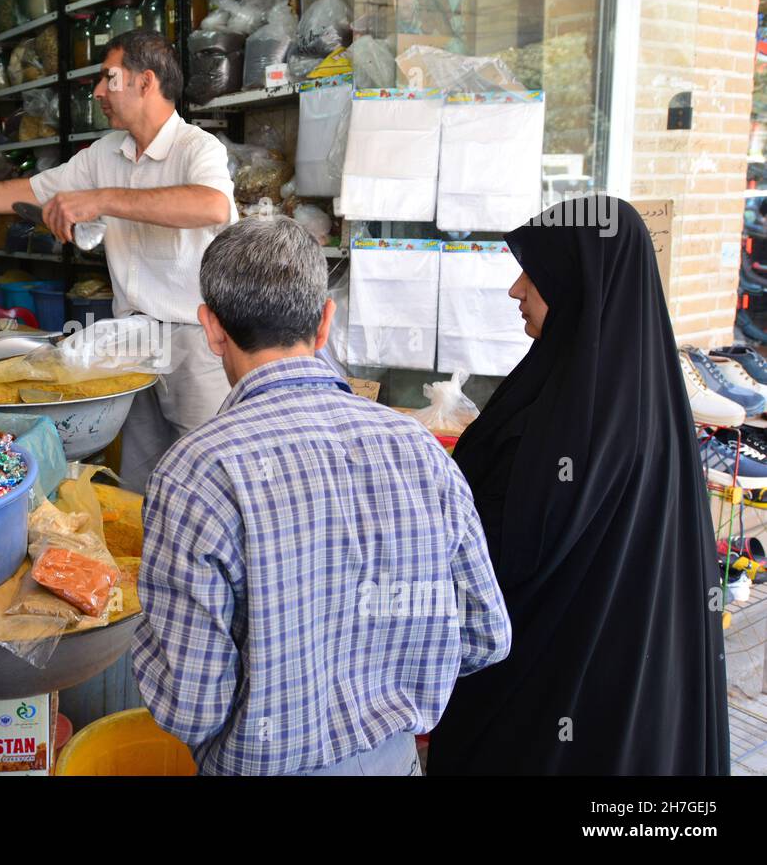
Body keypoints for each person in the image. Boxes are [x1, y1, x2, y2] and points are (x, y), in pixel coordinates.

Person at [130, 216, 512, 776]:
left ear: (211, 329)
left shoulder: (195, 473)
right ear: (326, 320)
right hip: (397, 763)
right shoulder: (419, 447)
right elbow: (485, 635)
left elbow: (193, 706)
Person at [427, 198, 730, 775]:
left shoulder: (569, 418)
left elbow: (500, 556)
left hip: (541, 706)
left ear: (579, 283)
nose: (517, 290)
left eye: (534, 273)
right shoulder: (648, 401)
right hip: (627, 708)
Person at [0, 30, 237, 490]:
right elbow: (27, 190)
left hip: (199, 341)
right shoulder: (104, 155)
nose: (97, 91)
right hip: (133, 339)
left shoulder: (198, 148)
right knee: (140, 474)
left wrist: (101, 200)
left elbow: (210, 205)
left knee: (207, 474)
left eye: (107, 78)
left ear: (145, 81)